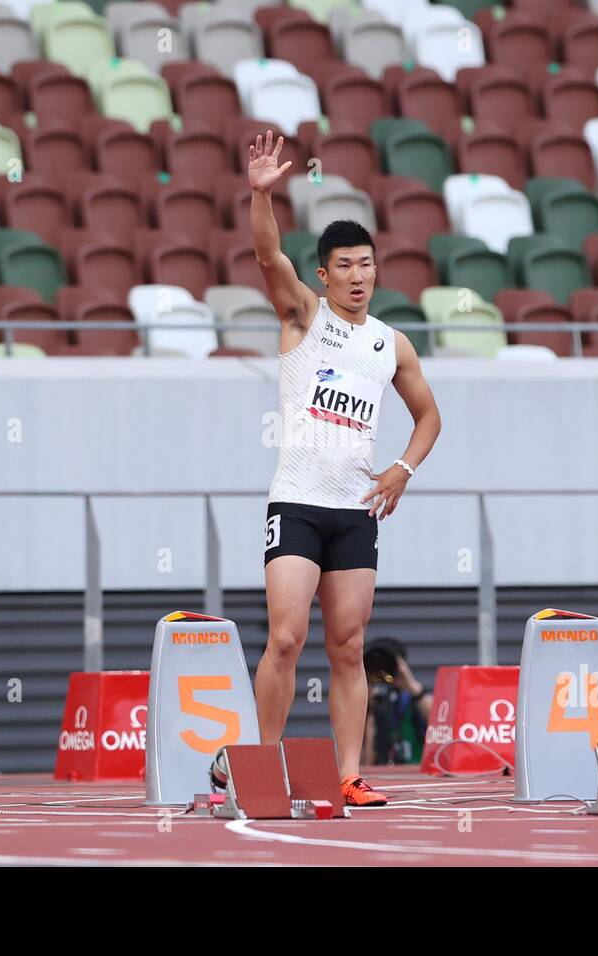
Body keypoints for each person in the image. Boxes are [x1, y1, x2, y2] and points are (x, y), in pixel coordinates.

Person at [247, 130, 442, 807]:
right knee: (285, 637)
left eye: (368, 263)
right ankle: (256, 767)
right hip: (297, 502)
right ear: (324, 274)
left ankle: (349, 773)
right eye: (346, 266)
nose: (359, 275)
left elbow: (429, 418)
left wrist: (402, 470)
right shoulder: (303, 316)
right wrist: (261, 195)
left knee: (350, 647)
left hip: (355, 510)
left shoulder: (392, 343)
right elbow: (268, 255)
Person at [361, 638, 432, 767]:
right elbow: (364, 765)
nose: (382, 673)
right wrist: (370, 710)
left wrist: (412, 686)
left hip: (415, 771)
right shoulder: (367, 705)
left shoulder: (413, 699)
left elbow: (439, 722)